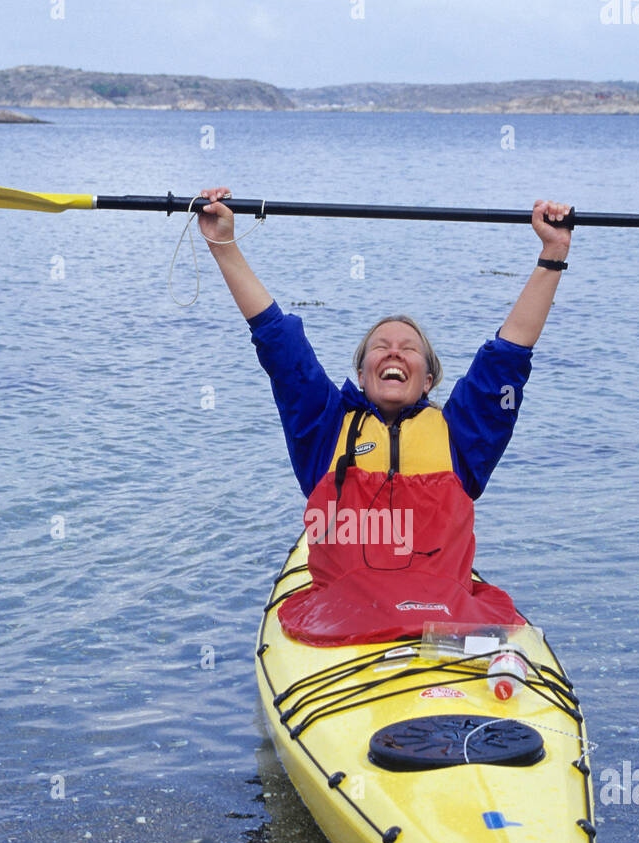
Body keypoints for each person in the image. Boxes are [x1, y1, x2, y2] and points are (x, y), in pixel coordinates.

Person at [199, 186, 572, 646]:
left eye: (408, 348)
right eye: (381, 346)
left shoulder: (460, 439)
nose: (394, 351)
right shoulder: (324, 429)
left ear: (428, 379)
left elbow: (509, 354)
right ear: (361, 373)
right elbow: (279, 342)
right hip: (343, 617)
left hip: (446, 617)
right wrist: (223, 243)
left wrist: (553, 253)